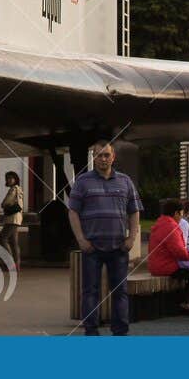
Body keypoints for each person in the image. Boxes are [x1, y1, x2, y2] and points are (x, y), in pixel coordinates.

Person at [66, 142, 142, 335]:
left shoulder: (125, 181)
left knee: (120, 292)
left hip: (118, 247)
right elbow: (73, 211)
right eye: (99, 155)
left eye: (106, 155)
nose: (103, 159)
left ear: (113, 156)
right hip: (92, 247)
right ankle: (91, 332)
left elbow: (134, 212)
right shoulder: (83, 182)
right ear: (94, 157)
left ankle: (120, 332)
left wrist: (131, 238)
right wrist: (81, 240)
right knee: (90, 291)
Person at [147, 198, 189, 313]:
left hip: (157, 264)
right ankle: (187, 303)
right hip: (166, 266)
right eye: (181, 214)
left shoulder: (161, 223)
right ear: (176, 213)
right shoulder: (171, 227)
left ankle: (185, 301)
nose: (182, 217)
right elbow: (179, 252)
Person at [0, 170, 25, 270]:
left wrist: (3, 204)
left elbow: (5, 202)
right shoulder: (19, 189)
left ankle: (11, 263)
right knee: (14, 242)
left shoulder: (13, 189)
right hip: (17, 218)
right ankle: (17, 264)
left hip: (12, 219)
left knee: (2, 239)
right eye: (7, 178)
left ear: (15, 179)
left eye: (10, 178)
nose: (8, 180)